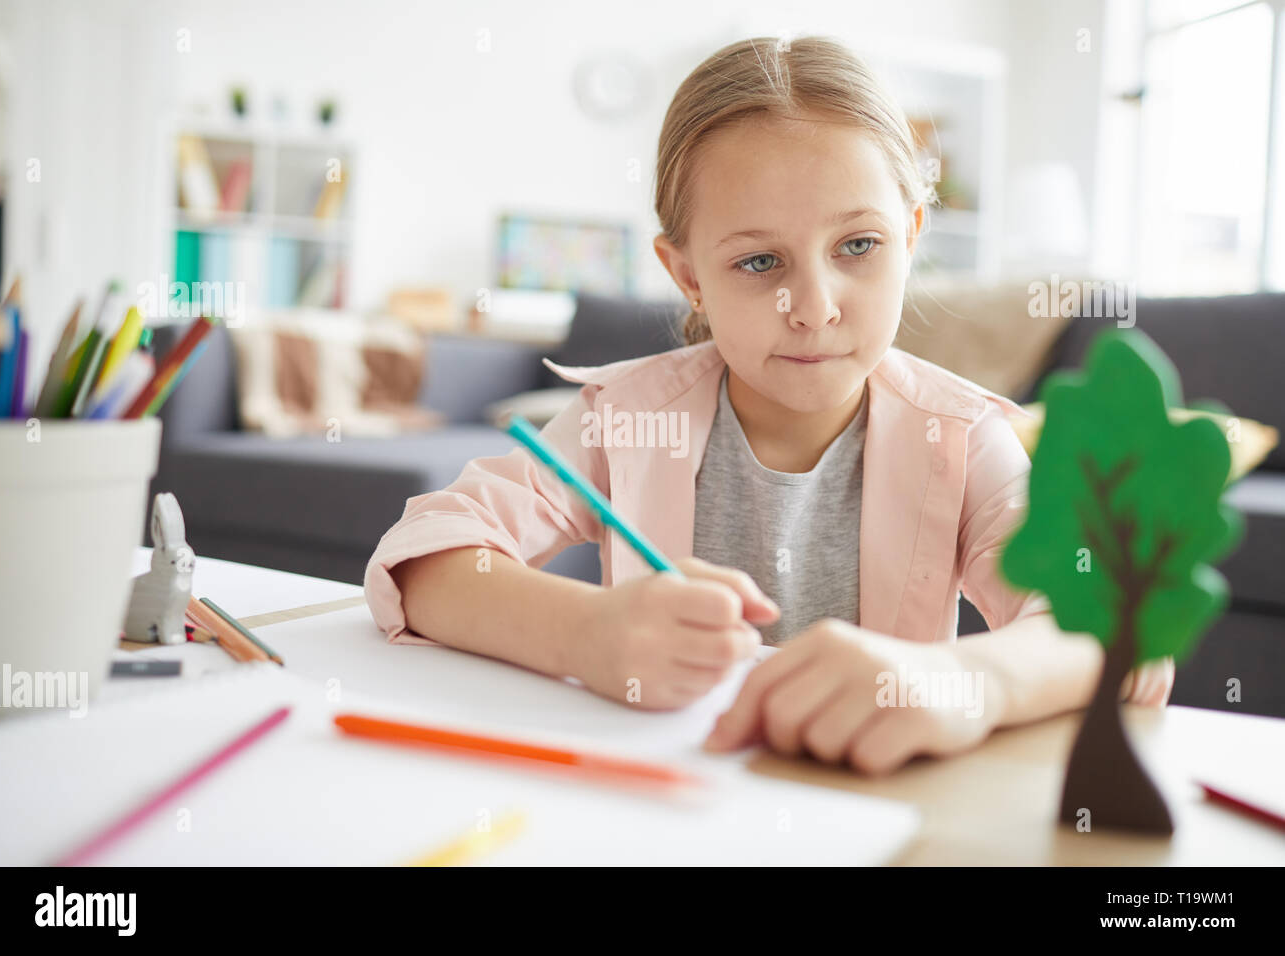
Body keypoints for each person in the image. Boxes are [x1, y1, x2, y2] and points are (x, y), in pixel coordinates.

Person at [363, 35, 1173, 775]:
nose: (814, 306)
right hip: (662, 794)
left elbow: (1119, 627)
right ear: (687, 276)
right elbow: (427, 556)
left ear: (913, 233)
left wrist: (965, 682)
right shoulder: (629, 414)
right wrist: (588, 634)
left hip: (872, 807)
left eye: (858, 245)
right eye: (759, 261)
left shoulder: (961, 438)